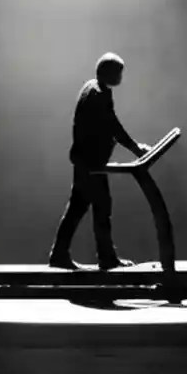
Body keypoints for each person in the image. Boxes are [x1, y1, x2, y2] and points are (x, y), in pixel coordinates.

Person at [47, 52, 152, 270]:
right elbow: (114, 126)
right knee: (101, 208)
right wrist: (135, 148)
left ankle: (60, 254)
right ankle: (105, 257)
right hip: (91, 164)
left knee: (78, 207)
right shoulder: (98, 94)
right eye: (119, 72)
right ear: (109, 73)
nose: (121, 77)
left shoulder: (92, 88)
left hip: (86, 162)